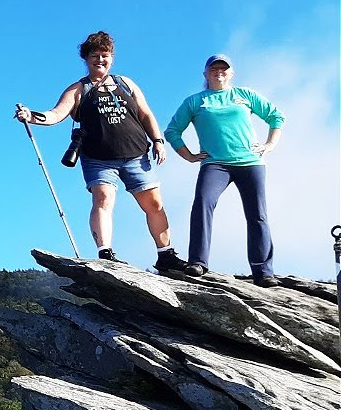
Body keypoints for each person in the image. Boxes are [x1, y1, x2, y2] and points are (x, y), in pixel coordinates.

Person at [15, 31, 188, 271]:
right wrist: (31, 116)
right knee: (103, 199)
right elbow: (56, 114)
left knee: (154, 204)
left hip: (136, 153)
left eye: (105, 55)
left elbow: (145, 113)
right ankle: (105, 253)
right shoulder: (78, 89)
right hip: (98, 158)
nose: (100, 60)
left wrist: (157, 140)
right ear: (86, 59)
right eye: (95, 55)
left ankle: (166, 255)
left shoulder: (125, 84)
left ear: (112, 58)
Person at [163, 54, 285, 287]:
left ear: (231, 73)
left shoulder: (244, 95)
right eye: (214, 68)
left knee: (257, 214)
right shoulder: (196, 101)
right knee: (202, 204)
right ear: (206, 74)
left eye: (223, 69)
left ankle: (264, 272)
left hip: (250, 162)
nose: (219, 72)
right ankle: (198, 262)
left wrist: (269, 145)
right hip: (215, 164)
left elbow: (276, 116)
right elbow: (172, 131)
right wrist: (187, 155)